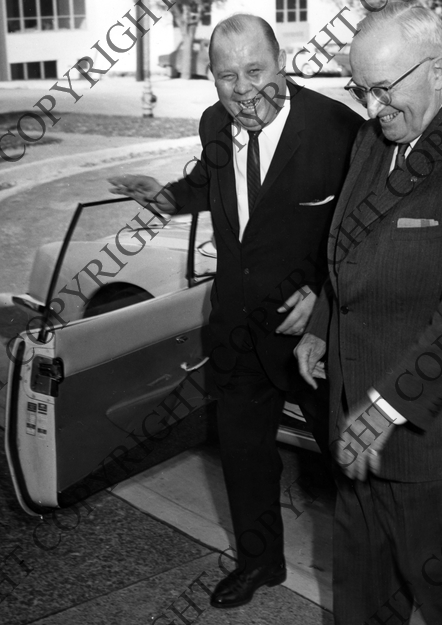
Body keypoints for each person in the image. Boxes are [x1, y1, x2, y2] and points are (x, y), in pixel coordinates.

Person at [108, 14, 363, 609]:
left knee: (349, 466)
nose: (244, 89)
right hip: (237, 330)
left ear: (282, 63)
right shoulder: (214, 124)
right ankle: (259, 564)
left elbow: (368, 229)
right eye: (228, 76)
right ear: (212, 79)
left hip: (315, 339)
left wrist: (327, 297)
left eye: (256, 71)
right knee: (245, 457)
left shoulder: (339, 130)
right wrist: (167, 196)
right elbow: (213, 178)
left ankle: (370, 587)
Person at [294, 3, 442, 623]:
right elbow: (346, 245)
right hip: (355, 421)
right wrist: (322, 326)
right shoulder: (374, 142)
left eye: (383, 89)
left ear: (437, 69)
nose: (371, 109)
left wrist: (386, 410)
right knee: (362, 600)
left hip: (430, 446)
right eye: (361, 90)